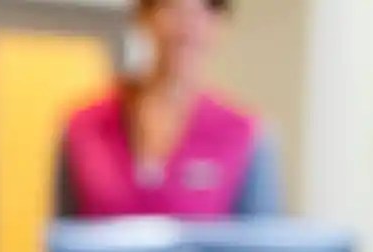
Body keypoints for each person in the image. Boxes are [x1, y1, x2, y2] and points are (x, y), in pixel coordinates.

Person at [56, 0, 281, 219]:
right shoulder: (85, 127)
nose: (187, 27)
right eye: (172, 8)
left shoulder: (245, 135)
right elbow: (64, 236)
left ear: (219, 23)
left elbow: (261, 241)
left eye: (202, 10)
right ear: (144, 15)